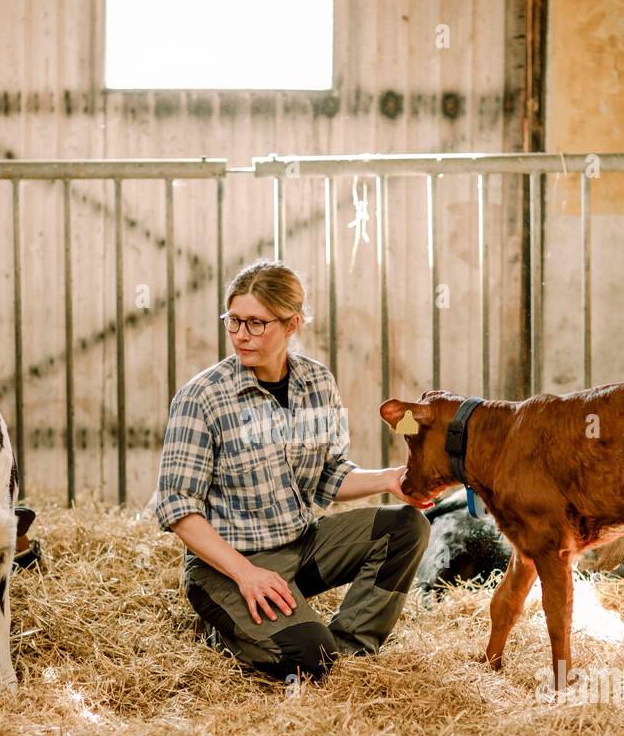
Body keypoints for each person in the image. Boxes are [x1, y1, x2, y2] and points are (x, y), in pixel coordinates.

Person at [152, 259, 432, 682]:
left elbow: (330, 474)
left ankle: (348, 653)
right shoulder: (202, 397)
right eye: (234, 321)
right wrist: (245, 574)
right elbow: (177, 510)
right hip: (228, 565)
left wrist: (390, 479)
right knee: (307, 654)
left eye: (256, 323)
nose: (241, 335)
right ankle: (228, 625)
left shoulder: (318, 383)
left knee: (407, 526)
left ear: (292, 324)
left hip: (301, 546)